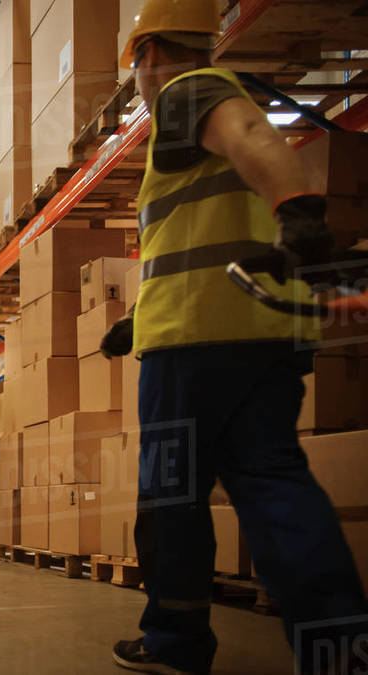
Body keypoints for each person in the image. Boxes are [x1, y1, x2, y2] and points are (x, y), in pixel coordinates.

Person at [103, 1, 368, 672]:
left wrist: (301, 215)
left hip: (193, 347)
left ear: (149, 53)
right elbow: (205, 238)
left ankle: (177, 641)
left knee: (172, 497)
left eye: (137, 65)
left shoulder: (188, 91)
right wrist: (137, 318)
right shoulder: (213, 118)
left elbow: (251, 131)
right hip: (261, 336)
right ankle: (339, 646)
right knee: (276, 491)